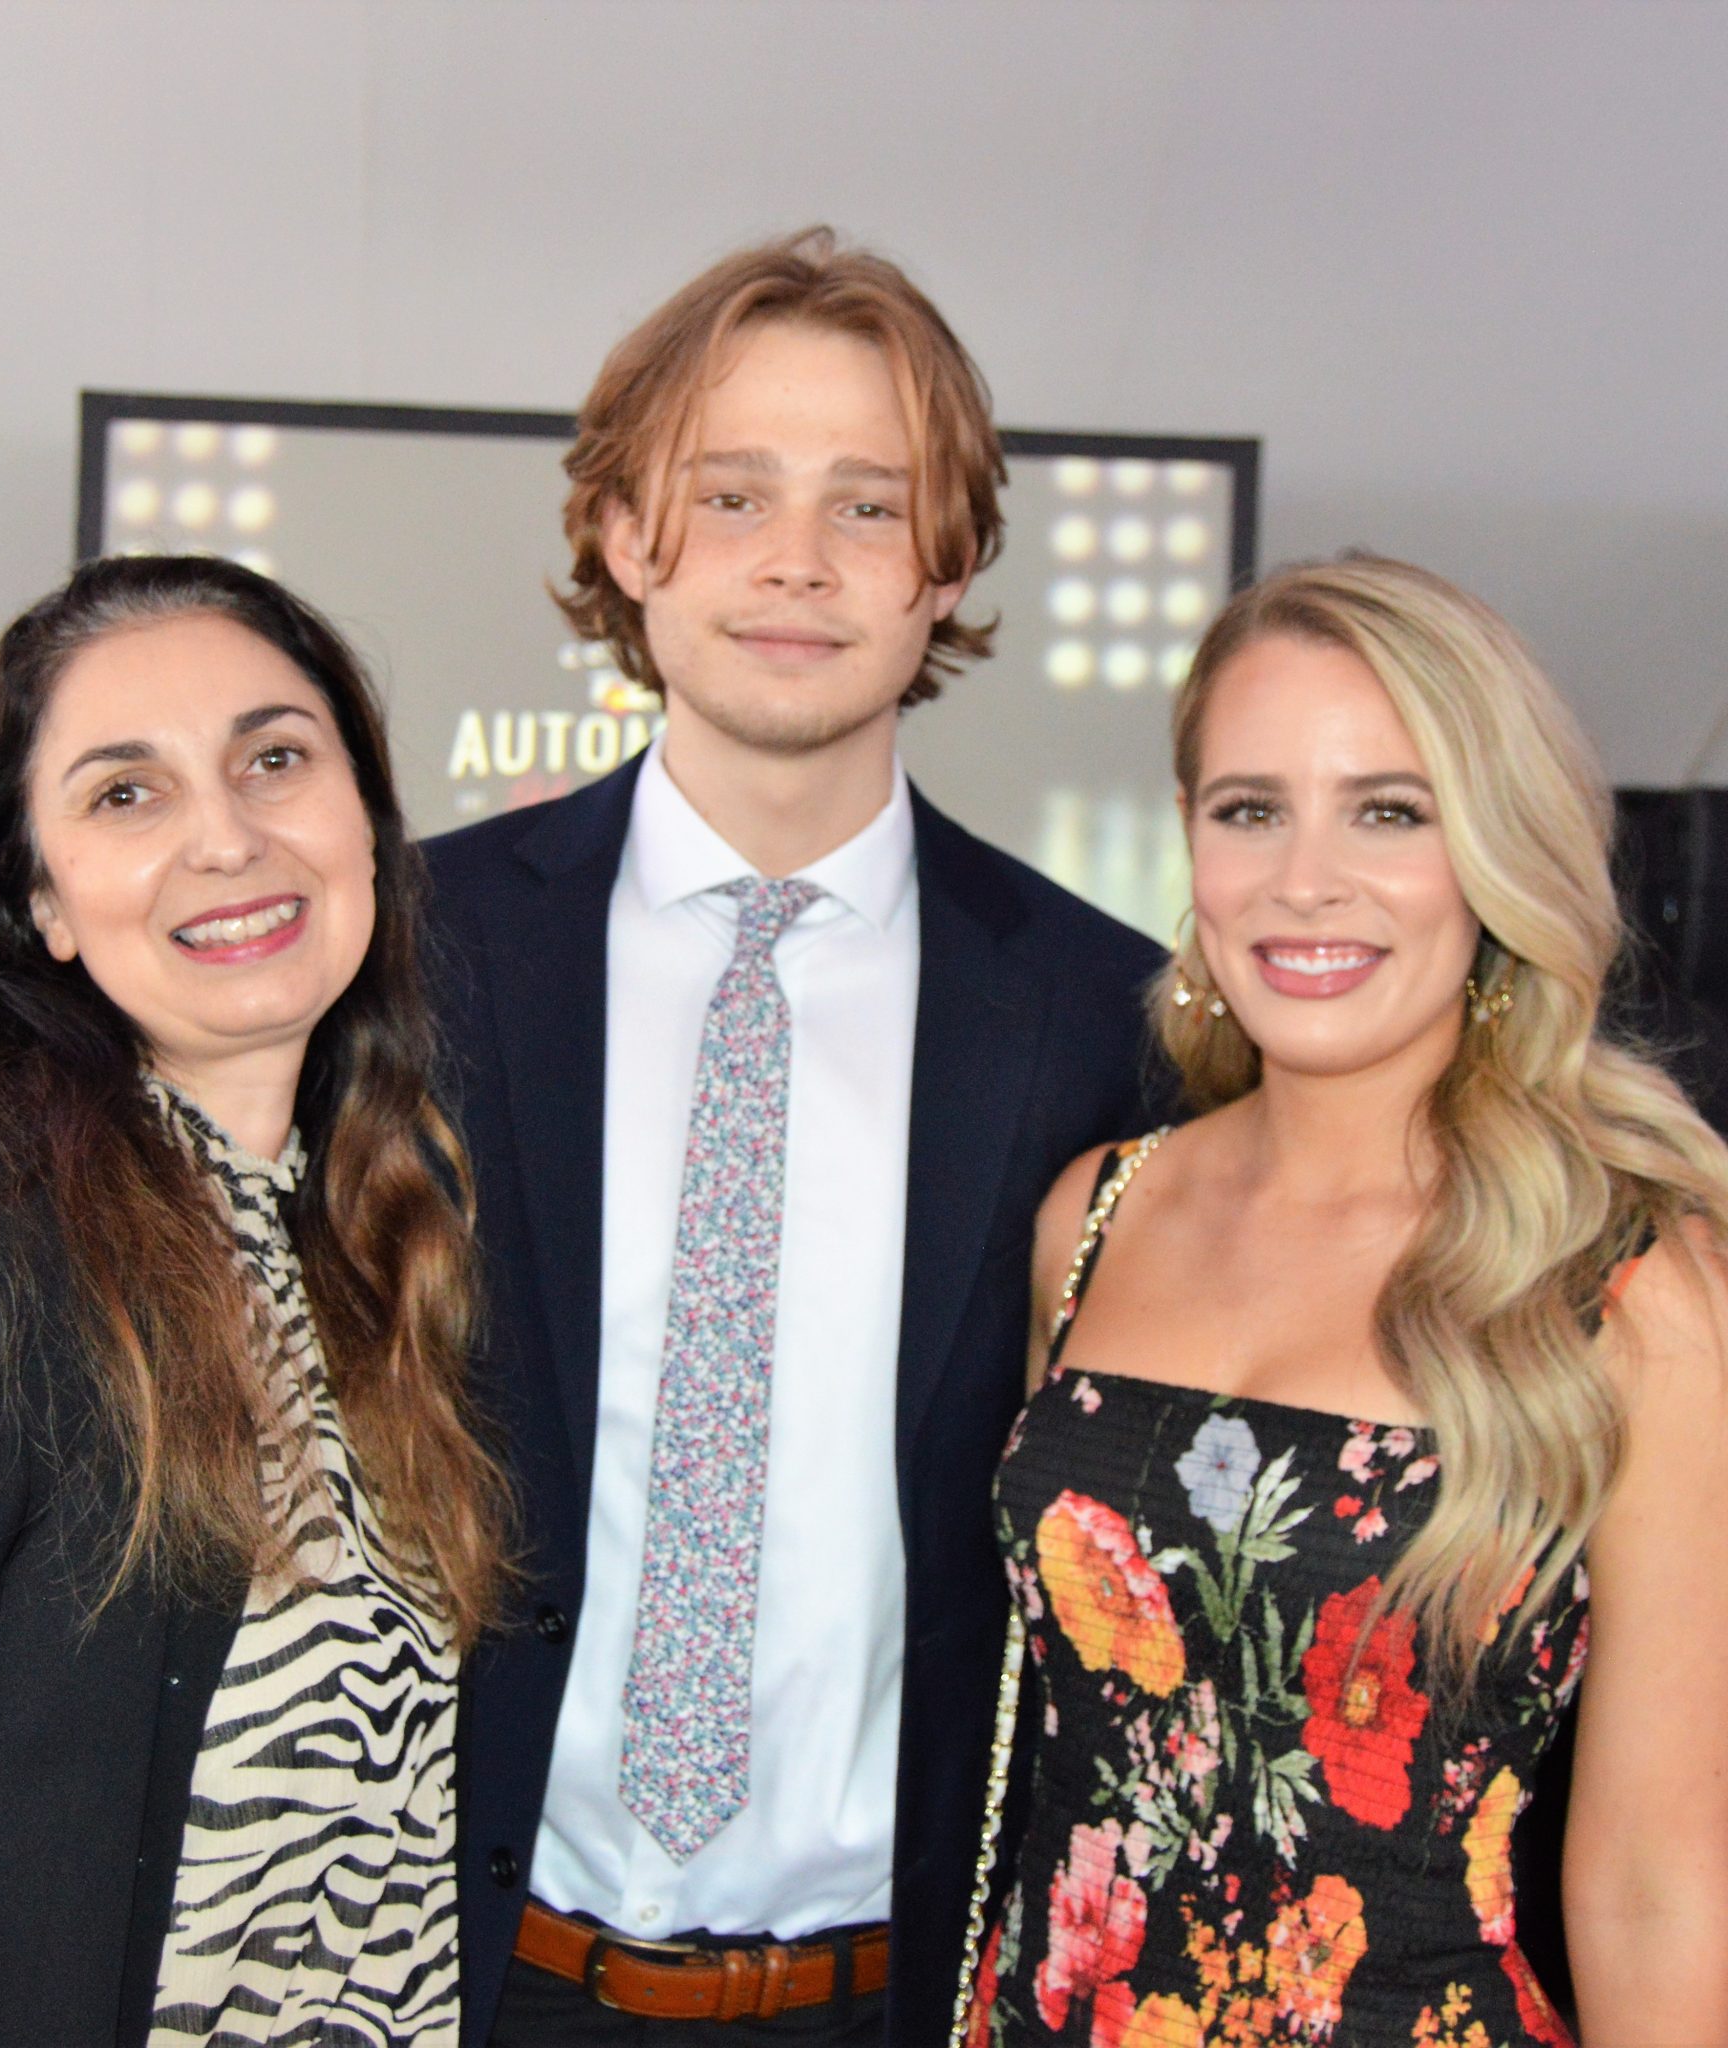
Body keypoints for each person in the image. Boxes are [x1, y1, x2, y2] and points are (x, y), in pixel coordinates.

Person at [422, 227, 1163, 2047]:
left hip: (895, 1996)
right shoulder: (410, 960)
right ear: (619, 533)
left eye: (870, 507)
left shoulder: (1101, 1017)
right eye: (731, 492)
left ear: (950, 561)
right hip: (462, 1981)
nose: (794, 564)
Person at [0, 555, 509, 2046]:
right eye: (126, 795)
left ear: (367, 827)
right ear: (42, 904)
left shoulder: (377, 1251)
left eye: (274, 759)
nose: (227, 839)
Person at [967, 555, 1728, 2045]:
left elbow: (1656, 1874)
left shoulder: (1634, 1283)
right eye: (1251, 809)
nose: (1304, 879)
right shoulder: (1096, 1214)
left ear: (1495, 850)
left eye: (1390, 810)